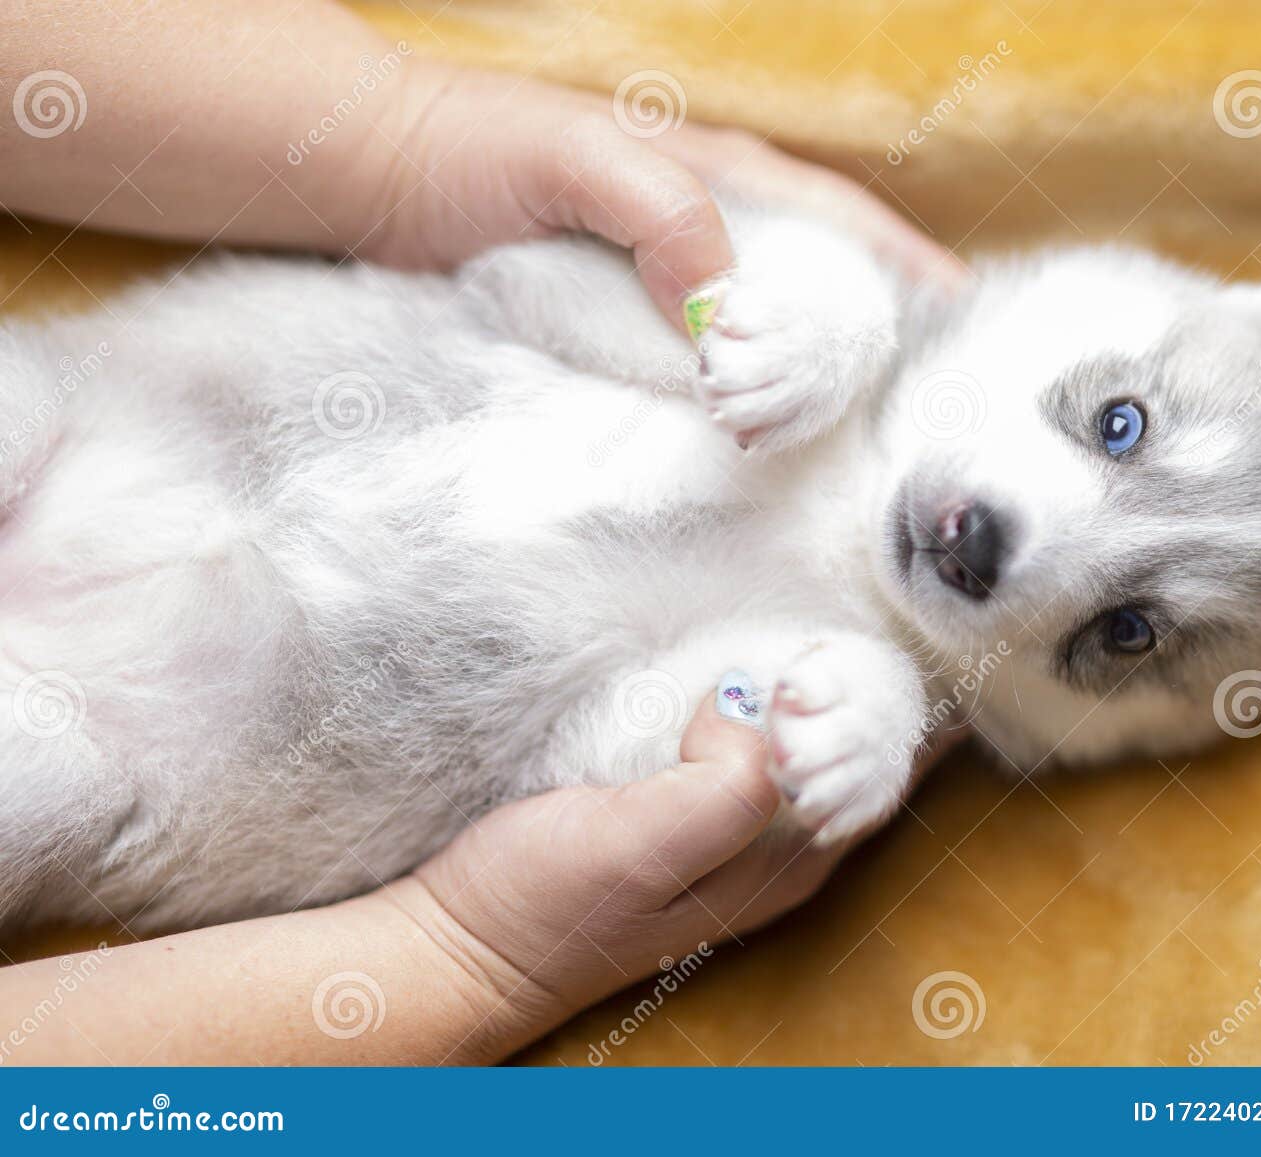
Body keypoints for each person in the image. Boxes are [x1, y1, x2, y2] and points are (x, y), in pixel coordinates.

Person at [0, 0, 961, 1063]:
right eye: (1117, 430)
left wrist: (405, 143)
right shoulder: (854, 338)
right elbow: (539, 287)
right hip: (96, 469)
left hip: (94, 712)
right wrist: (457, 959)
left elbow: (629, 743)